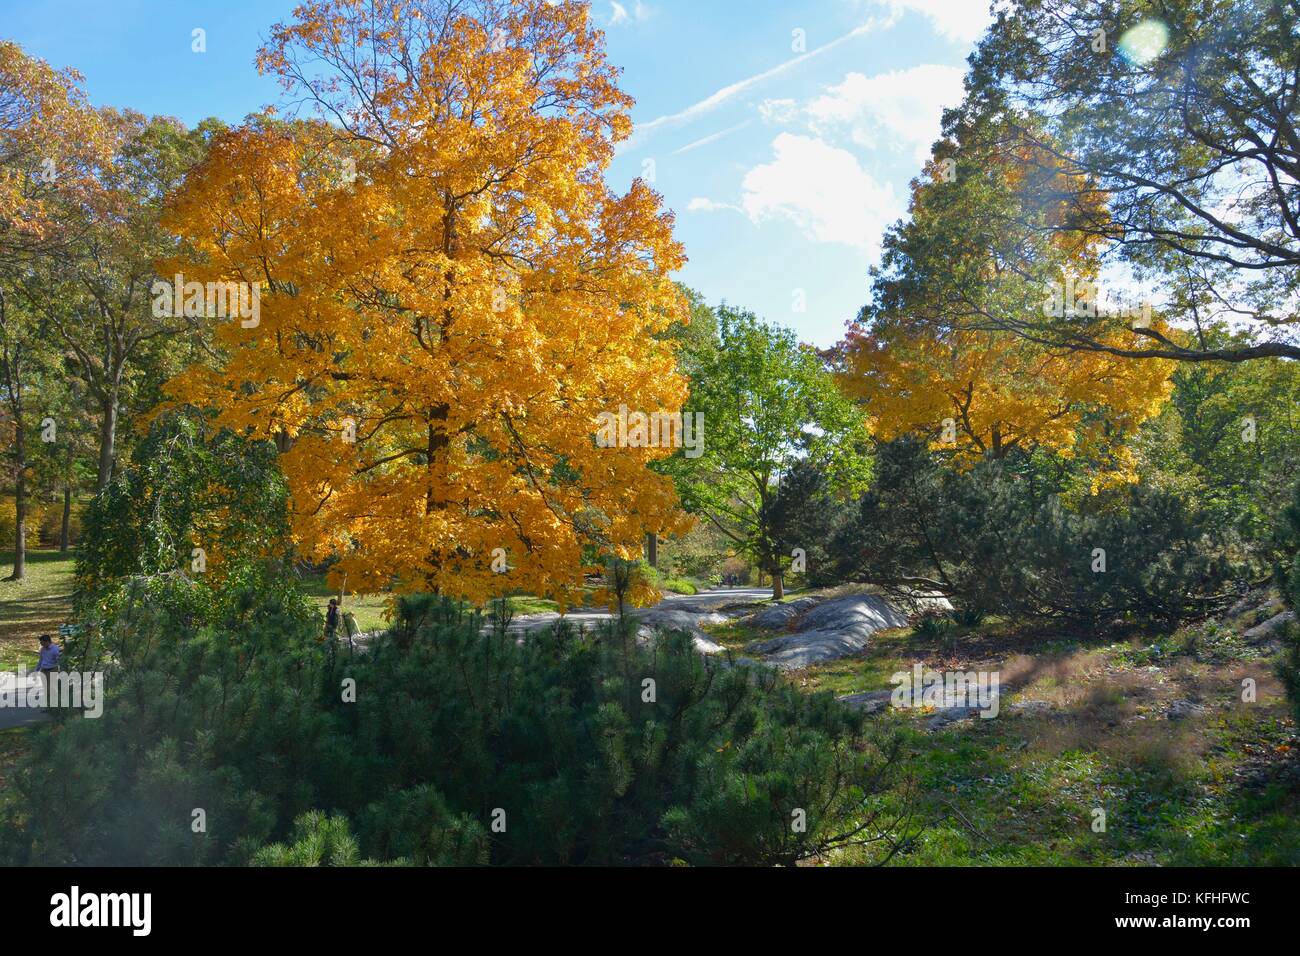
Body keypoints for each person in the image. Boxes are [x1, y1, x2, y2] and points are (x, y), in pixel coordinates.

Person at [36, 634, 61, 706]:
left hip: (52, 669)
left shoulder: (55, 649)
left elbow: (58, 660)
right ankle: (48, 705)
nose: (41, 644)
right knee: (45, 688)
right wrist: (36, 670)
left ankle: (54, 704)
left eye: (42, 642)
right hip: (44, 670)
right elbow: (40, 660)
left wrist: (60, 668)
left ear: (47, 641)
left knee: (51, 688)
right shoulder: (42, 649)